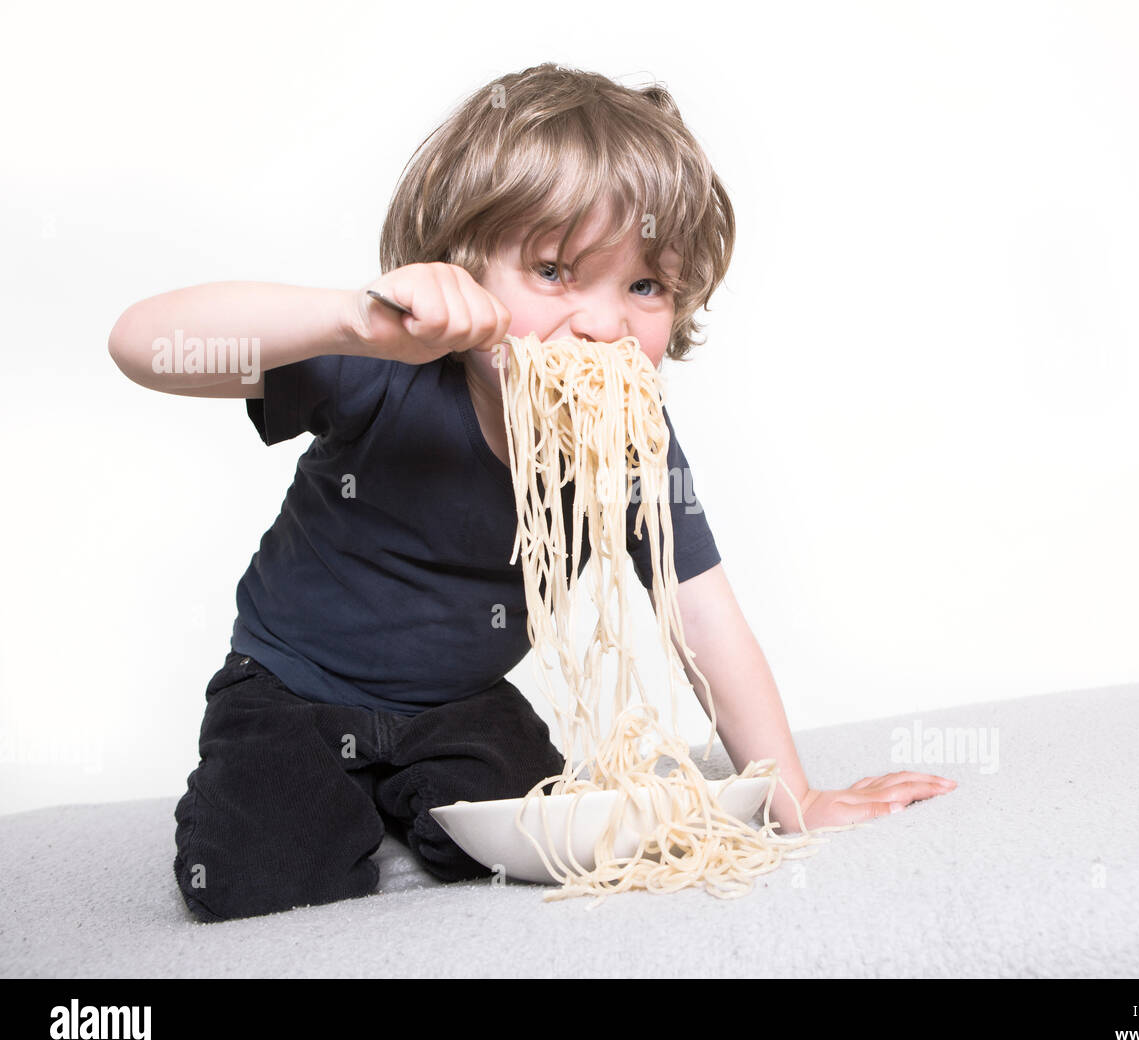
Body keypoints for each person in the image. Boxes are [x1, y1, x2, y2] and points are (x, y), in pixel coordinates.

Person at [107, 62, 956, 923]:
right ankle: (333, 798)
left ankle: (403, 800)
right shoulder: (383, 367)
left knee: (549, 843)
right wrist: (351, 318)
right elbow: (140, 343)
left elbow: (704, 615)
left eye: (645, 285)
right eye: (554, 271)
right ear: (461, 268)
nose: (601, 323)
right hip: (291, 685)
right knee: (260, 878)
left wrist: (793, 797)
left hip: (459, 706)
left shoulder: (629, 436)